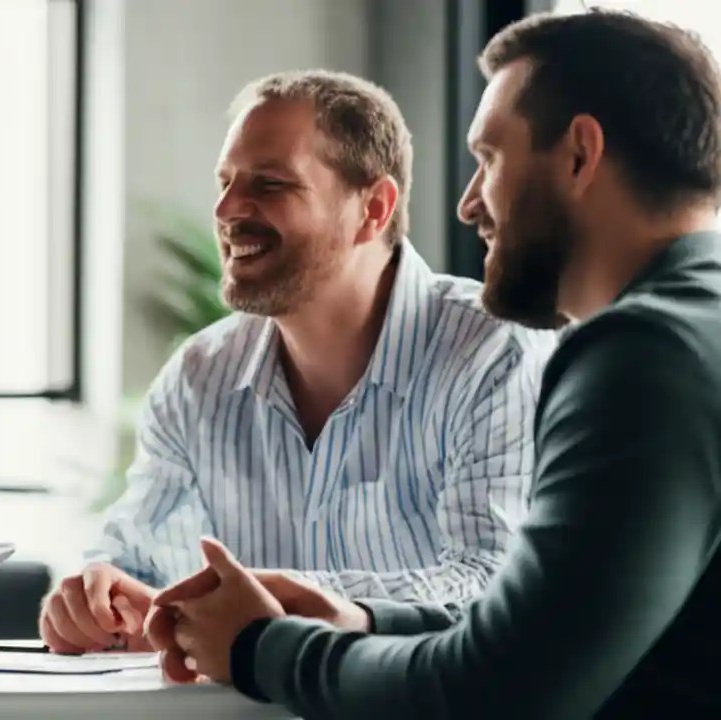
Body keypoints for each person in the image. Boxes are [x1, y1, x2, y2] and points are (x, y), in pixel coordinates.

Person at [148, 10, 721, 718]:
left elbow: (492, 695)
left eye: (490, 158)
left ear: (579, 153)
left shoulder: (643, 357)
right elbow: (547, 635)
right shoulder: (697, 333)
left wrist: (260, 647)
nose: (468, 202)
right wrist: (361, 617)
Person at [40, 70, 555, 654]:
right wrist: (98, 601)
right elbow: (135, 565)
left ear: (375, 208)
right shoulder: (198, 378)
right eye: (226, 181)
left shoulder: (493, 354)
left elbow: (498, 585)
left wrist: (282, 605)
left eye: (270, 184)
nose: (229, 209)